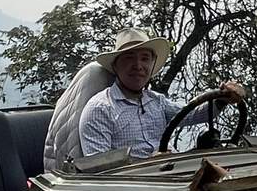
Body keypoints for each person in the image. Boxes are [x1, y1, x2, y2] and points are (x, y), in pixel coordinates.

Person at [78, 27, 246, 159]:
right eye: (129, 58)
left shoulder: (156, 101)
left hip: (174, 180)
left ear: (152, 65)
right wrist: (149, 166)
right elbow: (99, 174)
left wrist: (222, 99)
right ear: (115, 65)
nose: (138, 65)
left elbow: (192, 114)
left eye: (145, 58)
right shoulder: (100, 109)